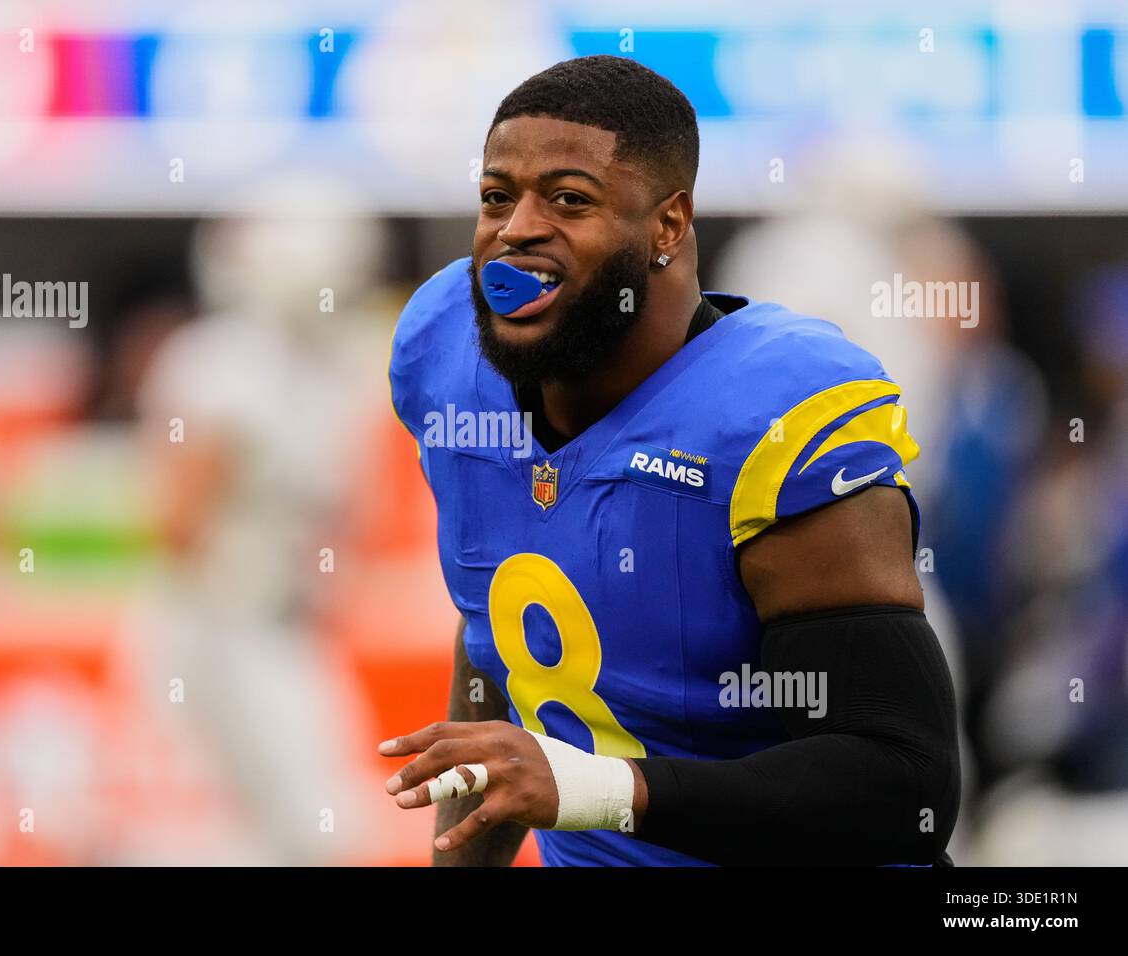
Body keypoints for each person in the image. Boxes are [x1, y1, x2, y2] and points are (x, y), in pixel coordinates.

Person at [382, 55, 960, 866]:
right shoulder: (453, 351)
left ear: (667, 225)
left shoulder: (772, 415)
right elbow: (493, 632)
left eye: (569, 198)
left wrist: (596, 789)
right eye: (496, 197)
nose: (515, 229)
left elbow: (903, 781)